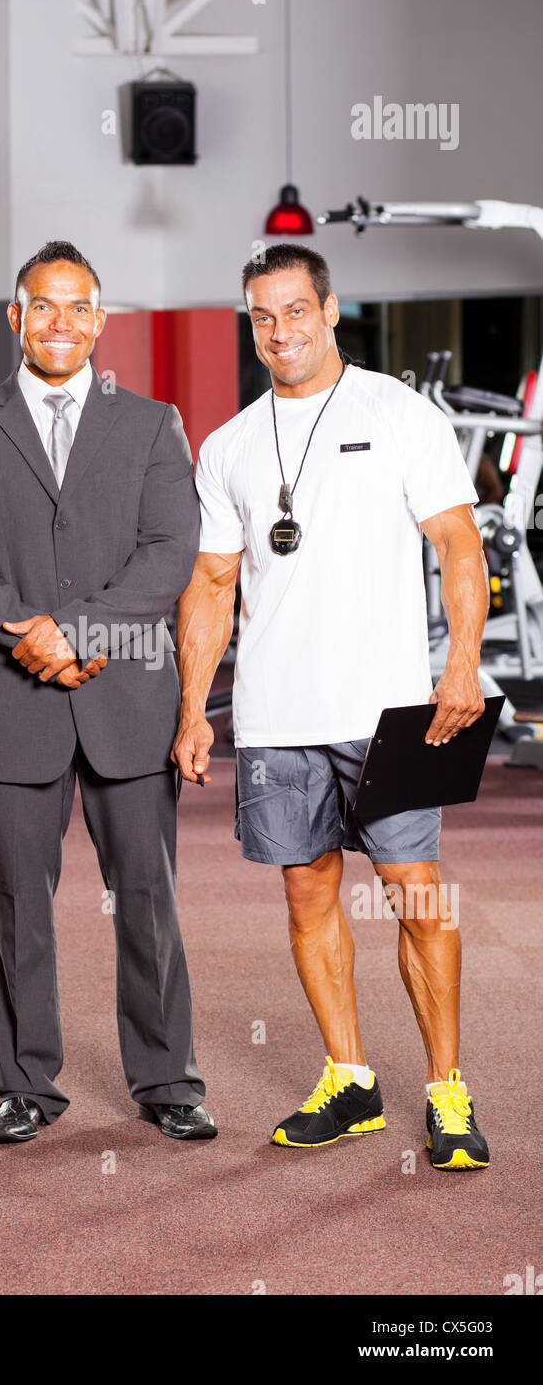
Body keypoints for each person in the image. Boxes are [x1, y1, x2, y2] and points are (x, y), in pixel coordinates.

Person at [173, 243, 490, 1171]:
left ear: (330, 308)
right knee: (308, 894)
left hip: (390, 709)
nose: (280, 332)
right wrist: (196, 707)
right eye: (263, 317)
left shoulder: (397, 412)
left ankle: (447, 1091)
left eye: (295, 311)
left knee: (418, 898)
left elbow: (459, 546)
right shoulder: (228, 445)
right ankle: (350, 1080)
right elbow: (212, 583)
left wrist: (460, 663)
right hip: (275, 717)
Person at [0, 241, 216, 1143]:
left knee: (148, 897)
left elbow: (169, 552)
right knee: (18, 903)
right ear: (16, 318)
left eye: (76, 307)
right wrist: (26, 633)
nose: (59, 323)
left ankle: (168, 1081)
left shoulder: (152, 424)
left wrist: (73, 633)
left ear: (99, 319)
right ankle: (25, 1086)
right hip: (10, 698)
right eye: (40, 306)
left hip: (126, 693)